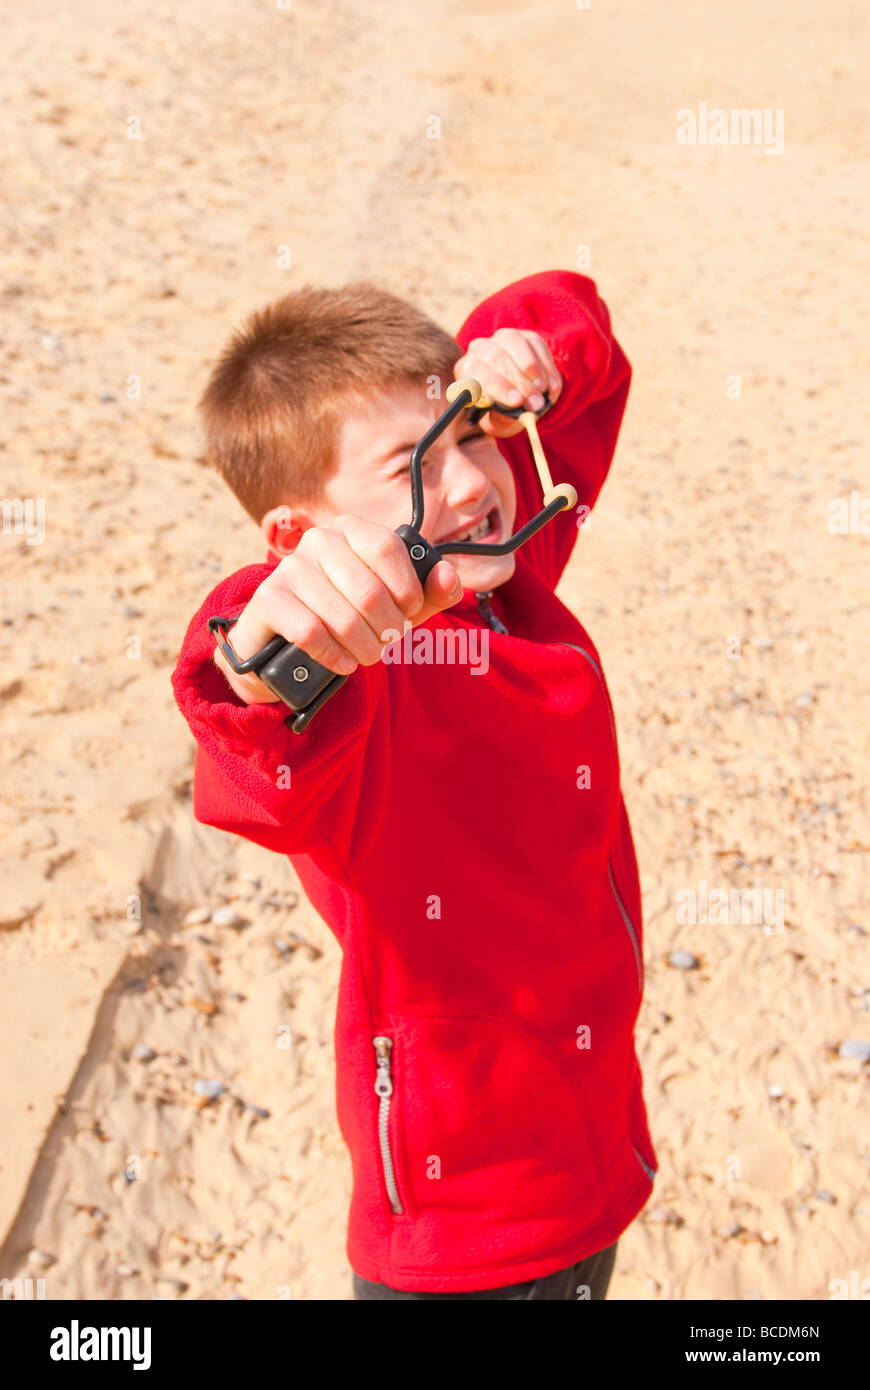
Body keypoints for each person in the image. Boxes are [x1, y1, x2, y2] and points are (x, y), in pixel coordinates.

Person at [171, 270, 658, 1299]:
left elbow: (580, 338)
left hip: (595, 1150)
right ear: (302, 539)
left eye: (471, 434)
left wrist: (519, 359)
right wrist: (268, 649)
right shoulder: (364, 687)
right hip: (465, 1232)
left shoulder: (505, 567)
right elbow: (258, 739)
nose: (476, 479)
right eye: (416, 465)